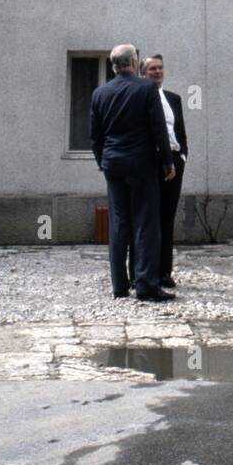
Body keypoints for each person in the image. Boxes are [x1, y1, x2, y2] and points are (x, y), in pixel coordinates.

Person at [90, 43, 176, 302]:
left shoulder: (100, 93)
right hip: (141, 163)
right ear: (134, 62)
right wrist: (168, 162)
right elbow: (158, 128)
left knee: (119, 223)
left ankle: (119, 285)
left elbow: (95, 136)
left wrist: (102, 161)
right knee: (145, 222)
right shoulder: (146, 88)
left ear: (113, 65)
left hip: (113, 163)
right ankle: (146, 284)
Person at [139, 54, 187, 288]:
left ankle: (165, 272)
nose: (157, 72)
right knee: (150, 218)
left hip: (175, 161)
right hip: (152, 162)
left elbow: (180, 131)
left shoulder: (173, 99)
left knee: (167, 217)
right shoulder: (139, 99)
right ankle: (148, 272)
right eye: (152, 69)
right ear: (143, 74)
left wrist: (183, 156)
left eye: (160, 68)